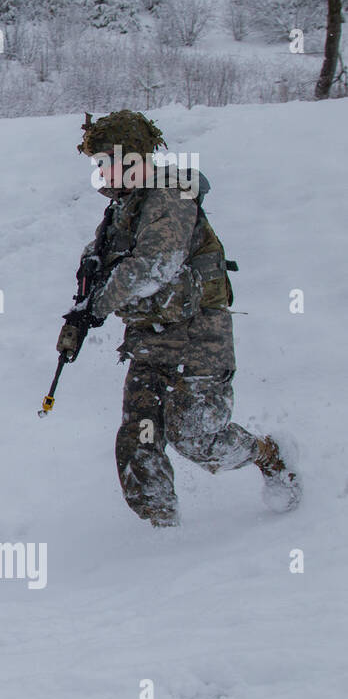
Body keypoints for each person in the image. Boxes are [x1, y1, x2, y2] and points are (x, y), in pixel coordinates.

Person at [59, 110, 299, 526]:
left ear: (131, 158)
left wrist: (97, 308)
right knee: (138, 442)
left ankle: (265, 454)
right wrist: (78, 315)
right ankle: (163, 534)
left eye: (104, 161)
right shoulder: (122, 210)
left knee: (197, 437)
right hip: (150, 343)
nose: (99, 172)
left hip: (199, 340)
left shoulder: (171, 196)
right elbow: (101, 269)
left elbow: (154, 265)